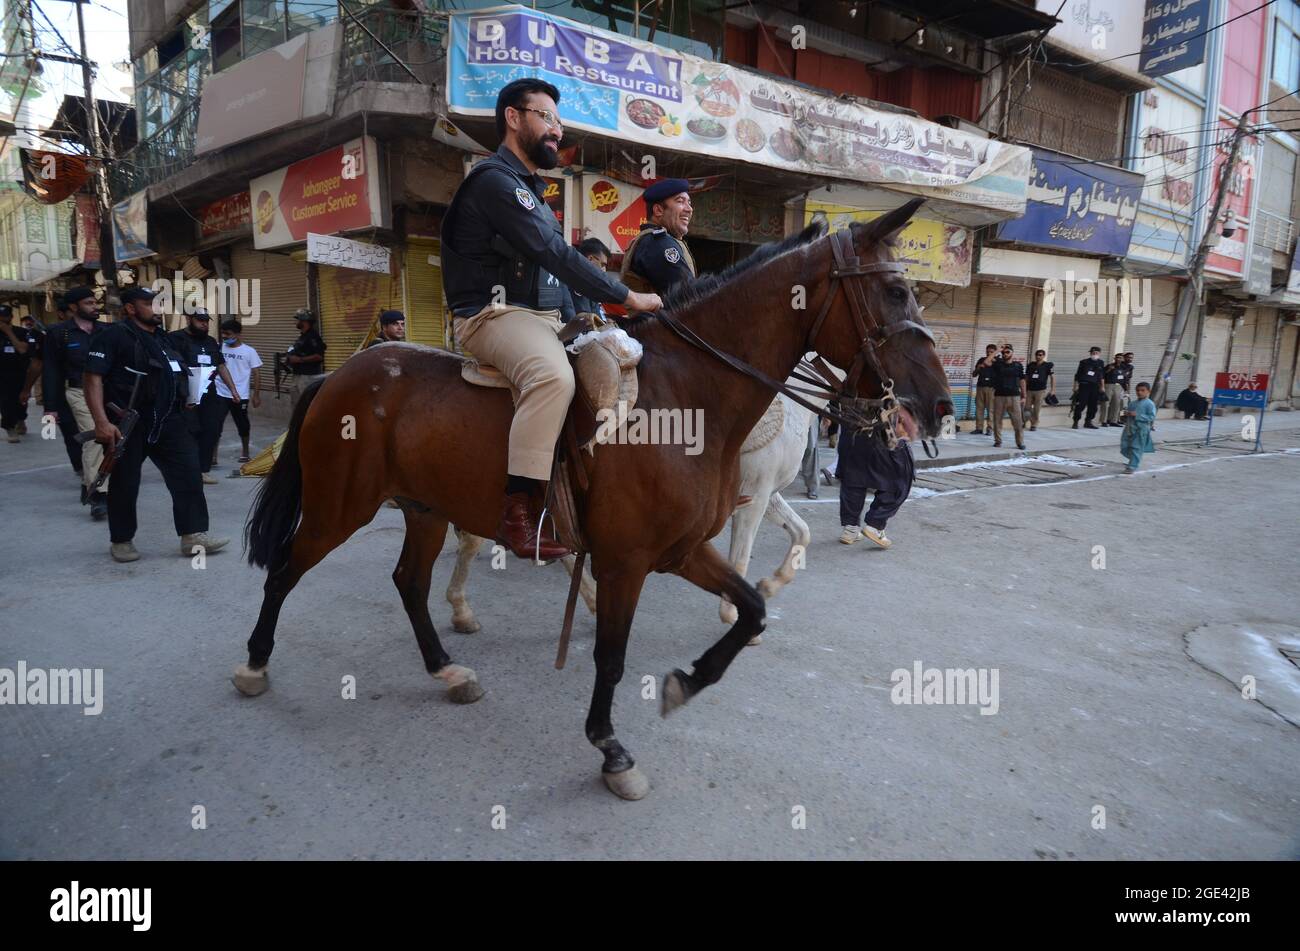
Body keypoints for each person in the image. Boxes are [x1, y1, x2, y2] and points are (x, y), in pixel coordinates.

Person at [440, 77, 661, 560]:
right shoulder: (497, 183)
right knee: (553, 378)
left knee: (619, 367)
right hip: (491, 315)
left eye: (559, 122)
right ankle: (518, 514)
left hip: (540, 318)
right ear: (513, 118)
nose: (555, 131)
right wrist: (630, 298)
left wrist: (594, 324)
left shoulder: (531, 191)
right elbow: (555, 254)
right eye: (546, 117)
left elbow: (553, 275)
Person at [84, 287, 228, 563]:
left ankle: (193, 535)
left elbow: (176, 371)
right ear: (130, 308)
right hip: (129, 421)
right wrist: (101, 421)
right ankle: (122, 540)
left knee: (188, 475)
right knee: (126, 482)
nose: (158, 308)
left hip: (170, 420)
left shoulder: (165, 339)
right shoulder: (113, 336)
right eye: (149, 303)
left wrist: (186, 395)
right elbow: (93, 379)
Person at [42, 287, 110, 517]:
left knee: (112, 440)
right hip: (78, 392)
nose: (95, 307)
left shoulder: (107, 330)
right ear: (73, 307)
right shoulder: (59, 333)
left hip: (108, 392)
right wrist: (50, 407)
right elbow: (51, 371)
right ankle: (98, 494)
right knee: (94, 437)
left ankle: (87, 483)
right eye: (89, 303)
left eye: (95, 302)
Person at [167, 305, 240, 484]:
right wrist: (179, 393)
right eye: (200, 321)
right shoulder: (174, 339)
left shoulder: (211, 341)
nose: (204, 325)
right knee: (189, 431)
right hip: (185, 393)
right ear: (189, 319)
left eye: (206, 321)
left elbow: (221, 366)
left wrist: (233, 390)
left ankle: (202, 470)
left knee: (211, 429)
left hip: (208, 391)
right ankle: (186, 469)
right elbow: (170, 366)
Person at [835, 417, 915, 549]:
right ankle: (875, 524)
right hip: (881, 432)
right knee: (901, 477)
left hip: (851, 429)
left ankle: (850, 528)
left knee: (853, 476)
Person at [621, 179, 696, 297]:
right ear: (658, 210)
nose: (689, 209)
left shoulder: (650, 241)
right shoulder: (659, 243)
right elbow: (690, 296)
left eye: (689, 203)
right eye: (680, 201)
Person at [214, 318, 262, 463]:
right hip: (219, 392)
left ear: (238, 334)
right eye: (223, 333)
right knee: (215, 425)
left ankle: (245, 452)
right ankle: (213, 456)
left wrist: (256, 395)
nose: (224, 337)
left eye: (228, 334)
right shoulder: (218, 348)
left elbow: (256, 373)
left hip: (240, 395)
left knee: (242, 424)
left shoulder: (249, 351)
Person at [1, 303, 40, 442]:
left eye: (5, 318)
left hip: (20, 373)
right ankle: (9, 427)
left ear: (11, 317)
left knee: (21, 400)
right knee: (5, 402)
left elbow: (23, 350)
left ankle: (20, 419)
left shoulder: (21, 332)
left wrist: (9, 332)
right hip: (2, 375)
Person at [285, 307, 326, 408]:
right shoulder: (302, 336)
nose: (296, 322)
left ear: (305, 322)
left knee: (307, 405)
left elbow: (319, 356)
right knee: (296, 405)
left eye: (298, 320)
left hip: (307, 376)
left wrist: (300, 360)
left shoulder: (313, 337)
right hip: (297, 375)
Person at [988, 343, 1026, 449]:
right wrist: (998, 350)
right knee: (997, 420)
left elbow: (1022, 380)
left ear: (1012, 353)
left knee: (1017, 421)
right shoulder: (998, 364)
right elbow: (987, 362)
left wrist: (1024, 396)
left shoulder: (1018, 365)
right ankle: (998, 441)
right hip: (999, 396)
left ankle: (1020, 442)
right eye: (1004, 352)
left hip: (1014, 397)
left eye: (1008, 352)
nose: (1005, 354)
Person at [569, 237, 612, 325]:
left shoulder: (592, 287)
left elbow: (598, 321)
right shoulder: (566, 281)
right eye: (602, 264)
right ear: (590, 259)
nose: (604, 270)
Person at [1120, 381, 1157, 473]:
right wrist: (1125, 414)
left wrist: (1137, 415)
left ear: (1148, 391)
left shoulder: (1150, 404)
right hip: (1129, 428)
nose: (1139, 392)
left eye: (1142, 390)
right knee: (1125, 446)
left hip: (1141, 429)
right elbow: (1127, 415)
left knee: (1136, 447)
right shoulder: (1132, 403)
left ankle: (1132, 466)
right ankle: (1133, 460)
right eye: (1137, 390)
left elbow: (1151, 417)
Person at [1072, 346, 1105, 428]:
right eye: (1093, 353)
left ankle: (1088, 422)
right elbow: (1077, 375)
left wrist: (1102, 386)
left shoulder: (1101, 362)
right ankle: (1076, 421)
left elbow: (1101, 376)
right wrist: (1075, 386)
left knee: (1093, 405)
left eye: (1096, 353)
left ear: (1099, 354)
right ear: (1090, 353)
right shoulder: (1084, 362)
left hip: (1095, 386)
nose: (1094, 354)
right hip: (1084, 385)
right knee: (1080, 404)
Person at [1023, 349, 1054, 431]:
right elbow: (1026, 377)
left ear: (1044, 356)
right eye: (1037, 355)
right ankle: (1026, 421)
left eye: (1040, 355)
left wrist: (1052, 389)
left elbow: (1052, 377)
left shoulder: (1048, 365)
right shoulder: (1031, 365)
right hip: (1029, 389)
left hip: (1040, 390)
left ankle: (1034, 424)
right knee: (1027, 408)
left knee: (1037, 409)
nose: (1038, 356)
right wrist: (1024, 389)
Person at [970, 344, 998, 435]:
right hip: (980, 387)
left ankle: (990, 428)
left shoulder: (998, 362)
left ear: (995, 352)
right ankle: (979, 428)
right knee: (979, 408)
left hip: (992, 388)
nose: (989, 353)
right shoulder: (981, 360)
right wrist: (978, 368)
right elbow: (974, 374)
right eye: (987, 351)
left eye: (991, 352)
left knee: (990, 409)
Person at [1102, 352, 1127, 427]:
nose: (1118, 359)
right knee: (1106, 403)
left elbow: (1126, 378)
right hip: (1109, 385)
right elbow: (1102, 375)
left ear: (1123, 359)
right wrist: (1109, 370)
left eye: (1120, 358)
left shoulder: (1124, 367)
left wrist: (1125, 389)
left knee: (1117, 404)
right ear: (1114, 358)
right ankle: (1104, 420)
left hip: (1119, 386)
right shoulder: (1109, 366)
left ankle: (1114, 421)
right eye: (1117, 357)